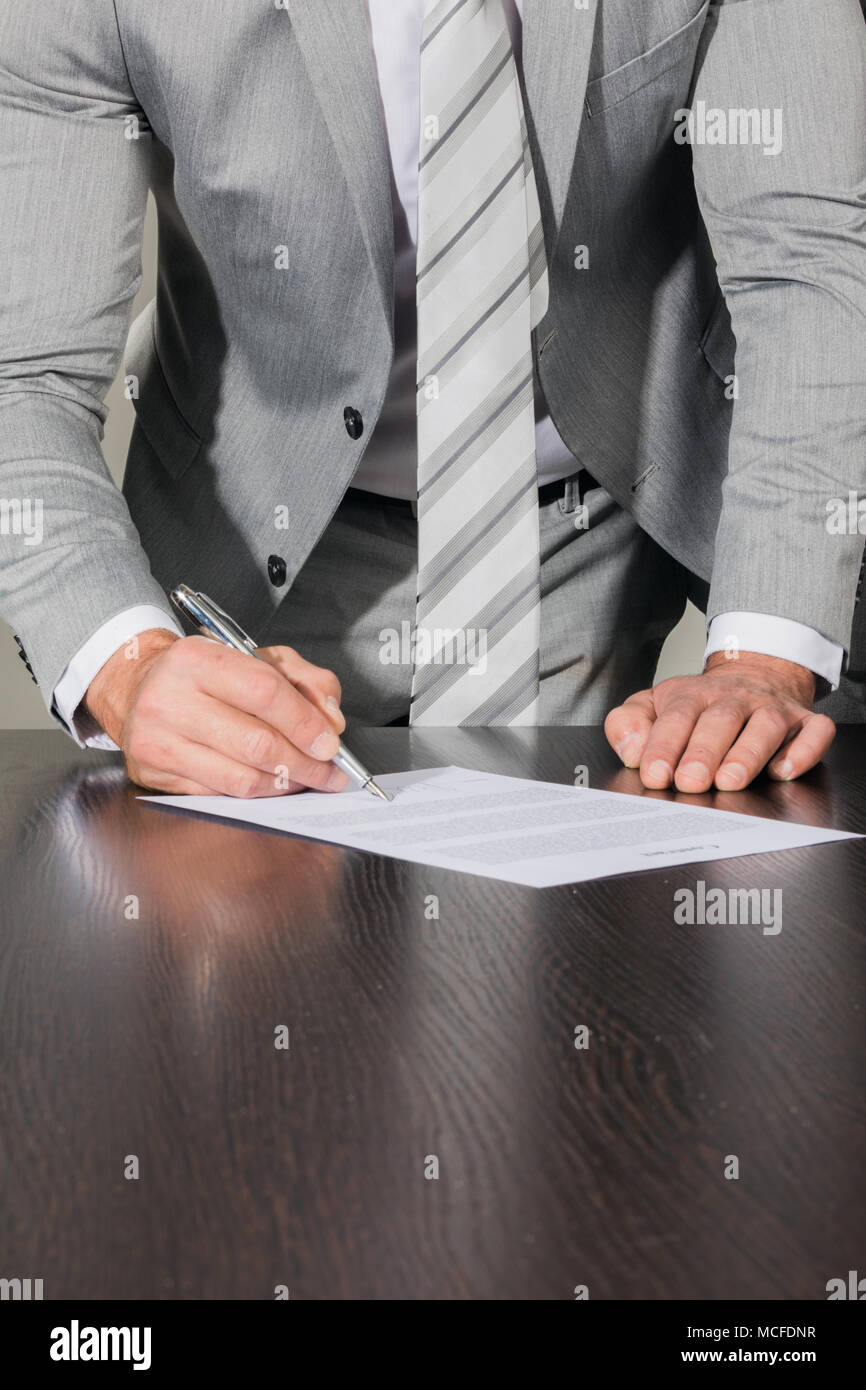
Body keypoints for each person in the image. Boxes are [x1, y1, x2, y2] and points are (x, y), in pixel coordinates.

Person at [1, 0, 863, 799]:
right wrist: (129, 663)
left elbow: (811, 266)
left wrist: (763, 660)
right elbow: (21, 376)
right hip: (251, 517)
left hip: (588, 504)